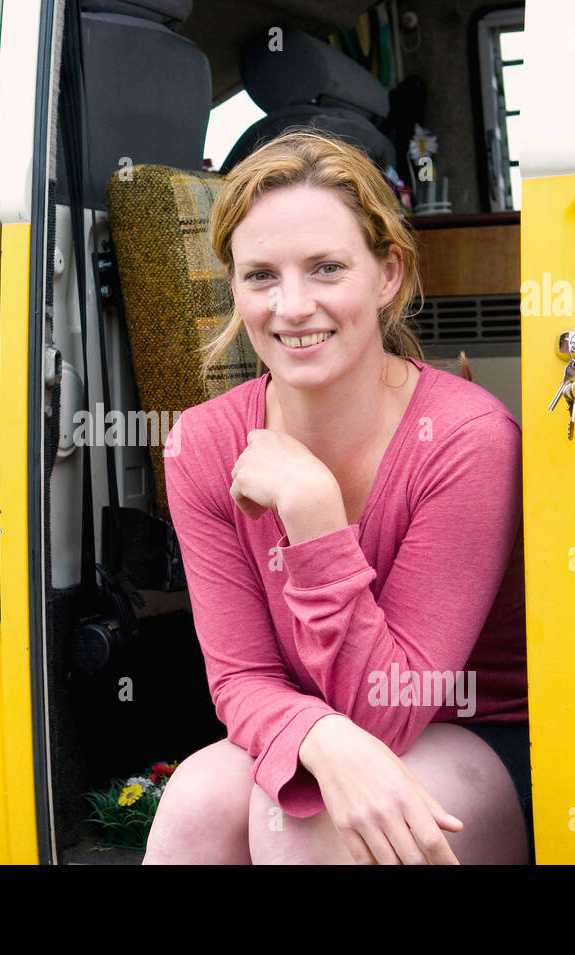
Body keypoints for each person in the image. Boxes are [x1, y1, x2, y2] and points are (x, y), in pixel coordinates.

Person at [143, 128, 530, 865]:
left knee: (309, 827)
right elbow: (242, 679)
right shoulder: (202, 443)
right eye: (261, 276)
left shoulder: (467, 438)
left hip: (474, 731)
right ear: (234, 286)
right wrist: (319, 738)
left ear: (388, 274)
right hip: (311, 718)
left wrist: (316, 521)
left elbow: (389, 705)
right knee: (196, 803)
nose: (292, 306)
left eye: (326, 268)